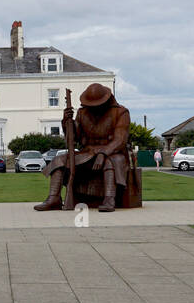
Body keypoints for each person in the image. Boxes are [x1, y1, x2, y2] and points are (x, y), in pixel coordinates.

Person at [34, 83, 131, 213]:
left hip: (113, 153)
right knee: (59, 160)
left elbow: (120, 140)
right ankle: (54, 198)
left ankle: (109, 198)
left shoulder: (121, 112)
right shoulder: (82, 113)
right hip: (88, 153)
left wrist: (103, 153)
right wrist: (67, 121)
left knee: (111, 161)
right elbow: (74, 138)